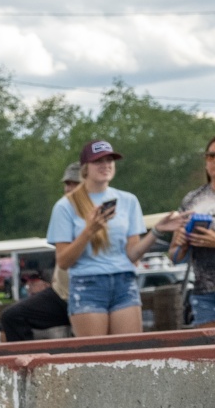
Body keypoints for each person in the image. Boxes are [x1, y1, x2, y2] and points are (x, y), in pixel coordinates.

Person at [47, 139, 161, 337]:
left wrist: (157, 232)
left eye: (109, 160)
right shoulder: (65, 206)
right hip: (87, 283)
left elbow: (133, 255)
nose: (105, 165)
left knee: (130, 351)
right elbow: (63, 261)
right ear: (85, 168)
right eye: (98, 161)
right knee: (96, 353)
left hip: (124, 280)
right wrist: (89, 231)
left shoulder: (128, 200)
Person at [160, 130, 215, 327]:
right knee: (211, 347)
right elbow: (173, 256)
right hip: (204, 292)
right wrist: (181, 244)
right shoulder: (192, 199)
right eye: (211, 156)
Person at [0, 262, 71, 343]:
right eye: (27, 284)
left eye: (33, 283)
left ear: (45, 284)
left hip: (65, 295)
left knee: (11, 316)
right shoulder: (29, 302)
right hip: (61, 293)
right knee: (10, 317)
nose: (28, 286)